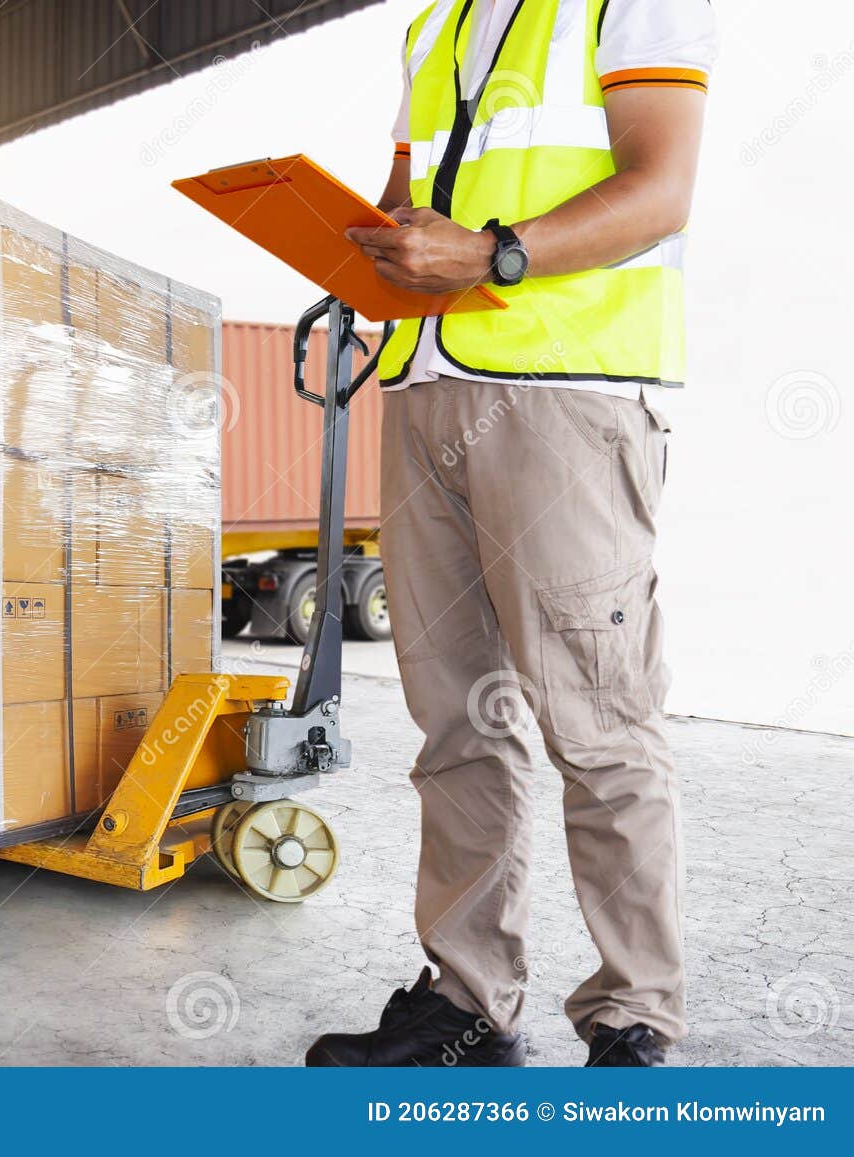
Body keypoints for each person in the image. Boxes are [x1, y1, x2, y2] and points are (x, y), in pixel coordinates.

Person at [306, 0, 716, 1068]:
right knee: (456, 723)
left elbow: (659, 191)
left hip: (566, 395)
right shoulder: (435, 24)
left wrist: (493, 255)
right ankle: (467, 998)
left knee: (598, 719)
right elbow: (409, 202)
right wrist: (364, 237)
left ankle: (635, 1011)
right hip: (428, 384)